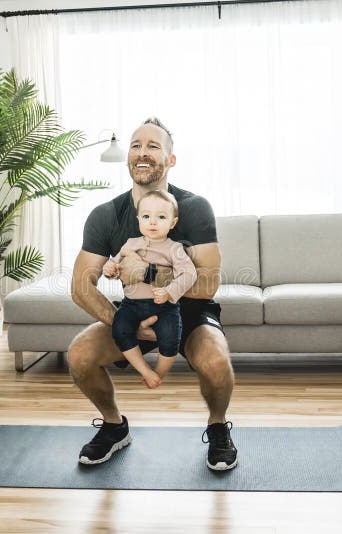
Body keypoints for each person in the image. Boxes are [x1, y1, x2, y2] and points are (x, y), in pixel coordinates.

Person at [69, 117, 238, 470]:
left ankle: (218, 425)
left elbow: (208, 282)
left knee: (216, 361)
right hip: (134, 311)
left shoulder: (193, 208)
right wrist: (127, 325)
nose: (142, 153)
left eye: (153, 146)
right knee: (80, 354)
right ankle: (114, 427)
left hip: (188, 312)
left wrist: (149, 273)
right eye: (135, 146)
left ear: (171, 160)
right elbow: (81, 286)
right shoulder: (106, 215)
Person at [103, 189, 198, 389]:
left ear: (172, 222)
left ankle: (159, 373)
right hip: (131, 305)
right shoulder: (130, 243)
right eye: (146, 216)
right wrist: (109, 268)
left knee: (171, 337)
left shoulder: (174, 248)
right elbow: (115, 265)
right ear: (138, 219)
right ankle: (145, 370)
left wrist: (170, 291)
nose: (152, 222)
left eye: (161, 217)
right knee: (120, 330)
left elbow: (189, 274)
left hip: (163, 306)